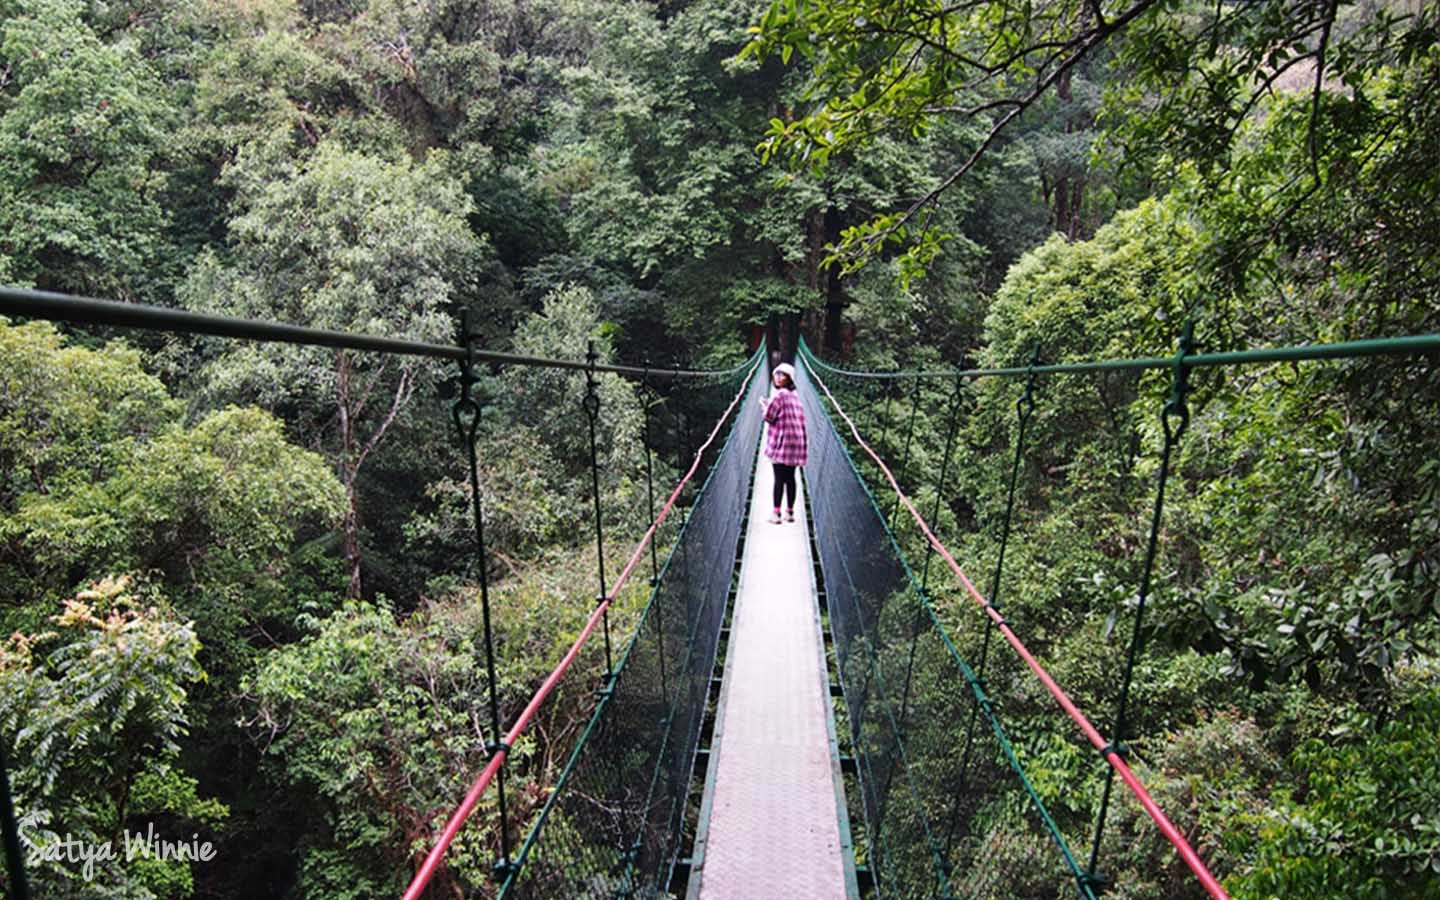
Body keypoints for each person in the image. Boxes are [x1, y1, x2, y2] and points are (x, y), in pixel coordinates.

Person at [758, 362, 807, 524]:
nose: (778, 378)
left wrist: (763, 406)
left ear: (789, 378)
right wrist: (769, 405)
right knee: (790, 477)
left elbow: (769, 417)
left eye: (782, 375)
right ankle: (790, 512)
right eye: (776, 374)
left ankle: (776, 514)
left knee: (779, 478)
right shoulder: (795, 396)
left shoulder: (779, 395)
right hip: (796, 443)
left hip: (782, 442)